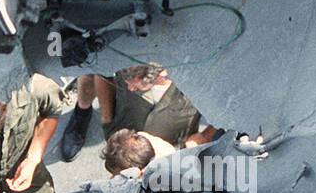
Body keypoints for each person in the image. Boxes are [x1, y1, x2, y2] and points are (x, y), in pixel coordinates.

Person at [59, 63, 216, 162]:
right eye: (126, 82)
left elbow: (233, 110)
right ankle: (82, 113)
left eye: (136, 86)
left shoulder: (198, 78)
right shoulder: (126, 64)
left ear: (161, 76)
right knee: (88, 75)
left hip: (173, 147)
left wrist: (205, 136)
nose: (130, 89)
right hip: (125, 130)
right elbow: (102, 76)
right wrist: (107, 120)